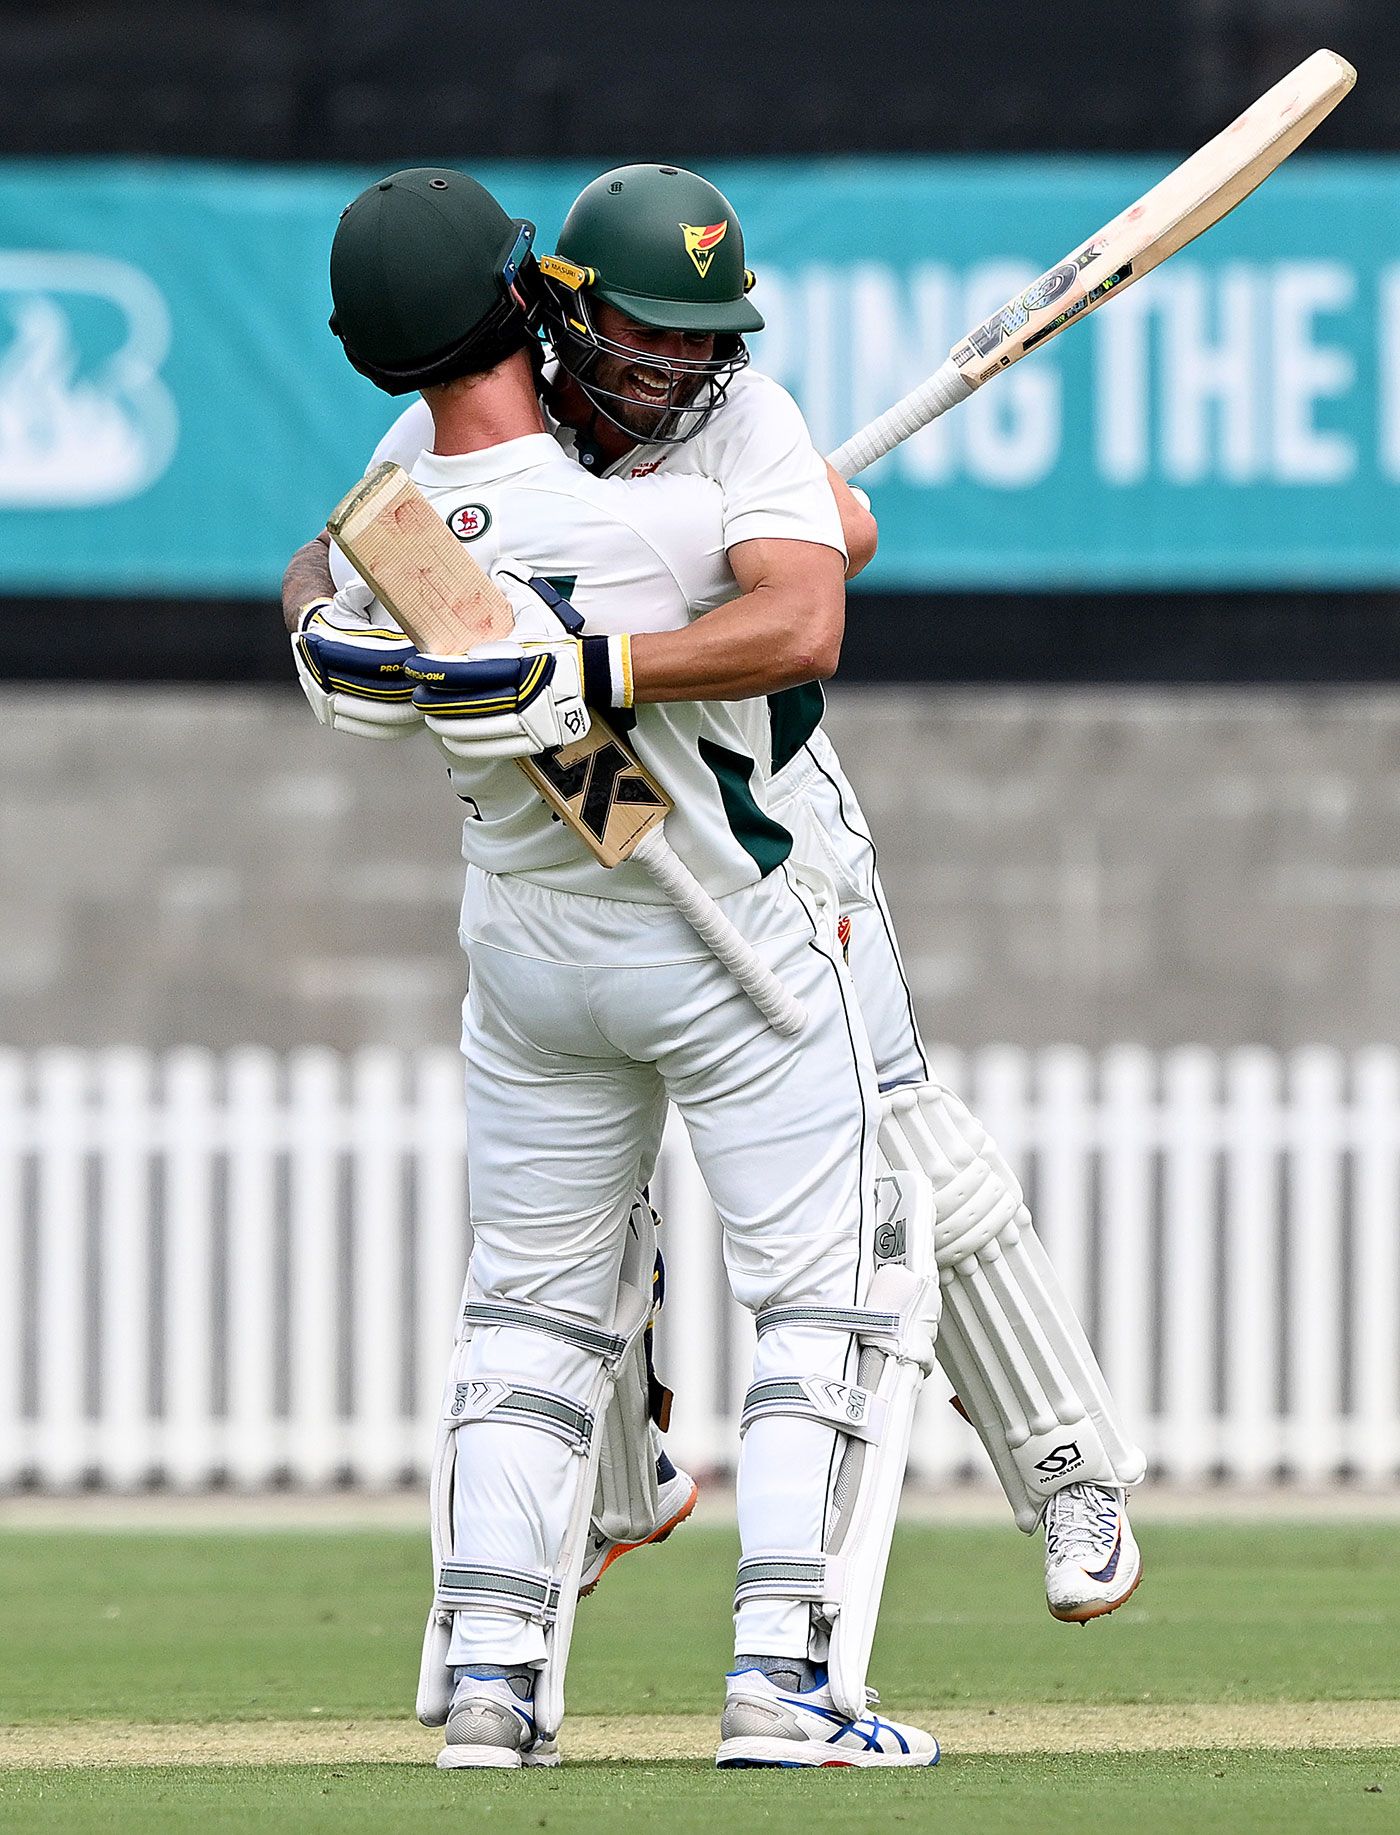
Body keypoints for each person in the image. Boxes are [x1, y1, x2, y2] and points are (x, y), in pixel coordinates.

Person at [284, 162, 1146, 1624]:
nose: (683, 366)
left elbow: (806, 612)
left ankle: (1071, 1477)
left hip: (779, 837)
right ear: (562, 310)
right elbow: (346, 539)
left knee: (914, 1167)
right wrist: (323, 619)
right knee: (570, 1207)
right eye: (653, 334)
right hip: (595, 839)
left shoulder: (749, 419)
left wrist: (655, 617)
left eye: (709, 336)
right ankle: (625, 1491)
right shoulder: (485, 408)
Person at [304, 164, 943, 1770]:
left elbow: (316, 577)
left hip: (529, 962)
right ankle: (785, 1686)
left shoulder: (393, 511)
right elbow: (807, 606)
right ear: (531, 300)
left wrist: (332, 631)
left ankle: (495, 1688)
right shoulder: (648, 515)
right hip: (723, 941)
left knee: (526, 1310)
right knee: (824, 1301)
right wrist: (650, 617)